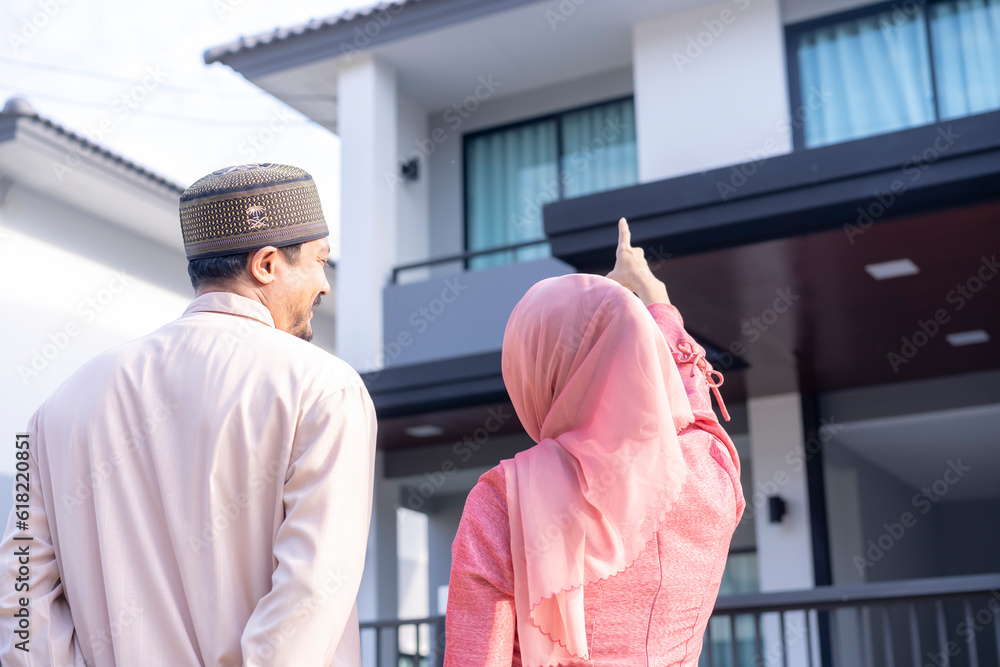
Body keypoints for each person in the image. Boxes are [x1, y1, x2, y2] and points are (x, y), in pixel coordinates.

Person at [0, 163, 377, 666]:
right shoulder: (325, 389)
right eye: (319, 261)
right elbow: (312, 591)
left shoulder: (53, 411)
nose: (324, 284)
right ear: (266, 263)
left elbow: (21, 598)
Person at [444, 218, 745, 666]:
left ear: (533, 373)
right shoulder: (711, 471)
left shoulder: (504, 500)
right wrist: (651, 297)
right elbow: (691, 399)